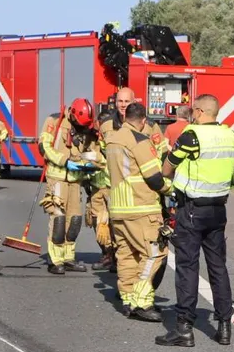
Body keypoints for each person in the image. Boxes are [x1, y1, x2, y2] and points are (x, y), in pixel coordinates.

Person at [156, 94, 234, 347]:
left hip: (192, 209)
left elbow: (167, 168)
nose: (192, 115)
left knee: (187, 267)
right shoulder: (230, 136)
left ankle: (184, 328)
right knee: (217, 267)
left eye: (194, 111)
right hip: (218, 209)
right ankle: (224, 326)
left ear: (200, 111)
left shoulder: (192, 136)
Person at [105, 102, 172, 322]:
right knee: (155, 253)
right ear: (143, 121)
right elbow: (153, 177)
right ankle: (141, 301)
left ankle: (127, 298)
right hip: (141, 207)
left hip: (117, 208)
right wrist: (171, 188)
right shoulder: (140, 140)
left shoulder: (112, 138)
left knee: (126, 255)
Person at [38, 98, 102, 274]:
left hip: (76, 179)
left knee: (74, 219)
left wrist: (89, 163)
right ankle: (55, 260)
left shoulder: (86, 127)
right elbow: (43, 146)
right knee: (58, 218)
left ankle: (68, 258)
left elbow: (92, 150)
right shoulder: (54, 121)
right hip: (57, 177)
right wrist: (64, 161)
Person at [86, 107, 116, 272]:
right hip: (96, 187)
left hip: (109, 187)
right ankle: (106, 253)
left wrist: (94, 158)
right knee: (96, 222)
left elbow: (106, 161)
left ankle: (112, 256)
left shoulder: (111, 140)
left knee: (110, 223)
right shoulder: (94, 138)